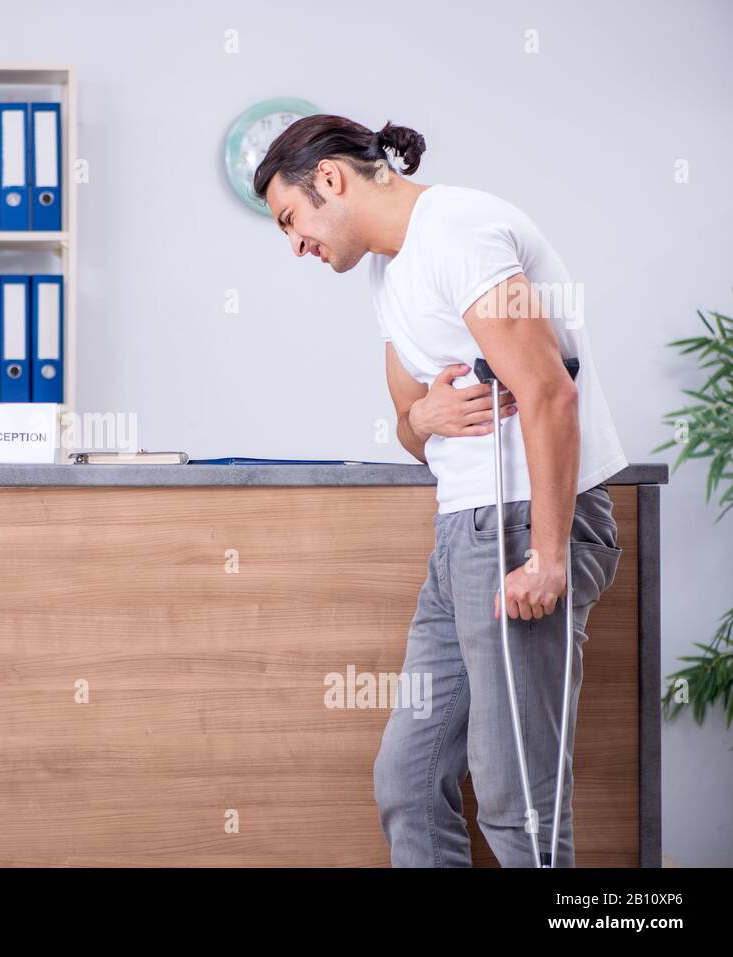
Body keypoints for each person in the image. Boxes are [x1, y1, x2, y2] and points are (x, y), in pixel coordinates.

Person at [252, 115, 628, 866]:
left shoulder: (460, 230)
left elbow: (550, 393)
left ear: (330, 178)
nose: (294, 244)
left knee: (515, 796)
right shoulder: (387, 273)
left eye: (291, 220)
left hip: (525, 522)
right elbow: (408, 423)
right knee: (409, 777)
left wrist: (549, 557)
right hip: (462, 533)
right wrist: (423, 414)